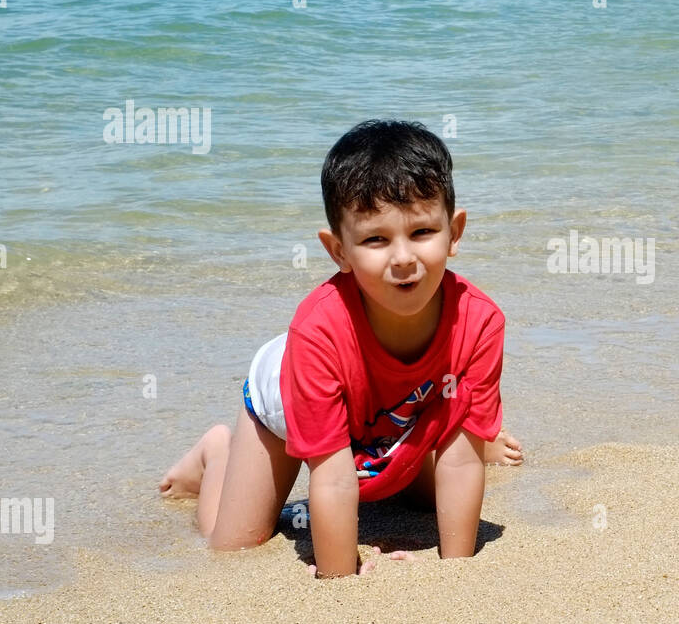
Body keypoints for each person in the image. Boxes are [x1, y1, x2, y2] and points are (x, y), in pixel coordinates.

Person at [158, 119, 522, 576]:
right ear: (339, 251)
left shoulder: (481, 322)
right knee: (234, 544)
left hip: (395, 407)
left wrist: (458, 571)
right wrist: (340, 580)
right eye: (375, 239)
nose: (404, 258)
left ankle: (405, 461)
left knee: (440, 486)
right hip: (292, 394)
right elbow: (330, 480)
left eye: (423, 232)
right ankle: (216, 456)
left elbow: (462, 463)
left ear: (455, 232)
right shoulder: (317, 333)